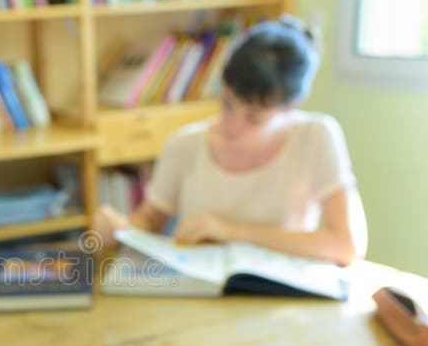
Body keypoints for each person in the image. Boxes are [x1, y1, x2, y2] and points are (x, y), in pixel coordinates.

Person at [95, 17, 368, 266]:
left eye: (253, 117)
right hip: (200, 293)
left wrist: (232, 232)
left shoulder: (316, 136)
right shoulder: (185, 145)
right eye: (227, 104)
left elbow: (347, 246)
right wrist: (117, 227)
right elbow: (149, 221)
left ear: (288, 108)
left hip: (282, 297)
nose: (232, 125)